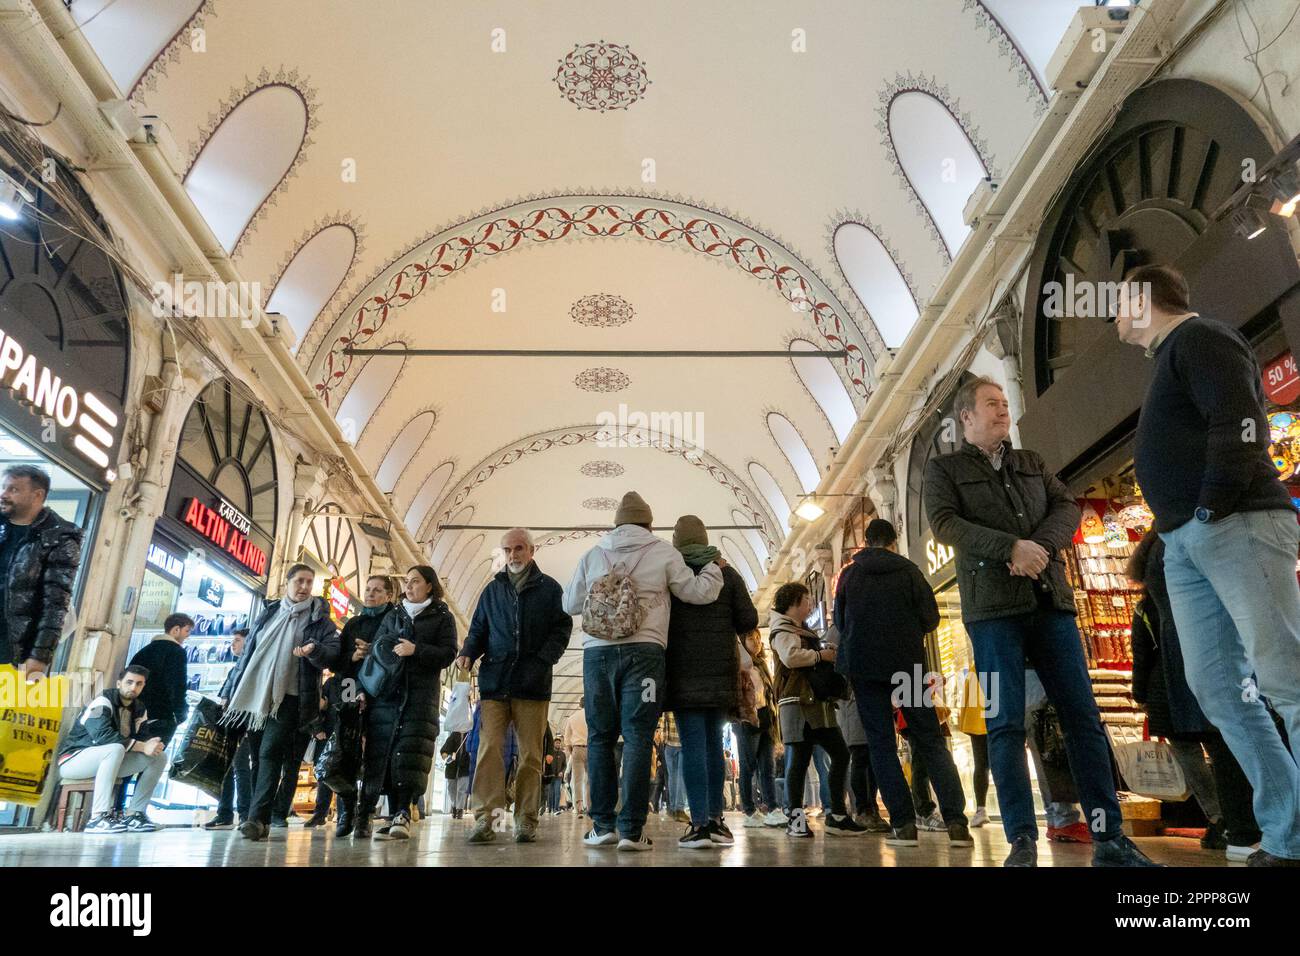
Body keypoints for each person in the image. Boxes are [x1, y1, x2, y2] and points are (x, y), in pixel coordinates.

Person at [924, 375, 1158, 867]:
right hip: (992, 613)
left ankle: (1109, 837)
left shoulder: (1030, 462)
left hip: (1051, 601)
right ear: (966, 417)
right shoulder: (944, 470)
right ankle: (1022, 842)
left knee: (1083, 718)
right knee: (1005, 724)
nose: (1002, 411)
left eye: (1005, 403)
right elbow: (945, 523)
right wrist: (1008, 548)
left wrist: (1042, 548)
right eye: (992, 404)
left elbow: (1067, 506)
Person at [1116, 264, 1300, 867]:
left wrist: (1210, 505)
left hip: (1236, 523)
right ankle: (1288, 831)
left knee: (1285, 677)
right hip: (1189, 544)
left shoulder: (1201, 339)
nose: (1114, 316)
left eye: (1120, 303)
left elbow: (1239, 422)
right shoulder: (1172, 357)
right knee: (1219, 690)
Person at [563, 491, 724, 851]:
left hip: (597, 657)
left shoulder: (593, 554)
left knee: (600, 737)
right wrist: (713, 567)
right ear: (649, 524)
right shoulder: (663, 552)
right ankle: (632, 831)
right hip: (646, 655)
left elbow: (570, 603)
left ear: (616, 523)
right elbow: (698, 593)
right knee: (638, 735)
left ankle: (602, 825)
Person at [834, 518, 971, 848]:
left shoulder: (849, 576)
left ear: (865, 543)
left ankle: (904, 825)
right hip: (907, 668)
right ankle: (956, 823)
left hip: (866, 671)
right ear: (893, 541)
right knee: (929, 739)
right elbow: (931, 619)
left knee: (881, 745)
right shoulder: (909, 571)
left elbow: (840, 622)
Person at [1126, 530, 1261, 860]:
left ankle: (1220, 818)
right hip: (1201, 675)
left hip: (1168, 690)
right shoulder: (1191, 573)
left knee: (1193, 753)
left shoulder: (1148, 603)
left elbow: (1141, 654)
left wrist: (1140, 693)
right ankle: (1239, 824)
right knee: (1226, 747)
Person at [457, 528, 572, 845]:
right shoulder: (492, 591)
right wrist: (468, 652)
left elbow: (562, 627)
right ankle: (487, 820)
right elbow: (479, 628)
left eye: (519, 548)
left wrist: (543, 659)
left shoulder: (549, 589)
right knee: (489, 749)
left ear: (531, 551)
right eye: (507, 550)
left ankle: (525, 821)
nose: (513, 555)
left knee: (531, 756)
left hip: (532, 684)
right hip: (495, 682)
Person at [220, 563, 339, 842]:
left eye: (309, 582)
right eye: (299, 580)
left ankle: (256, 818)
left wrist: (315, 651)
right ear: (287, 582)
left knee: (270, 753)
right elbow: (248, 655)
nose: (304, 587)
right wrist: (229, 689)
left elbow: (333, 653)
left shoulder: (320, 620)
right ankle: (260, 817)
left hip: (291, 698)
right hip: (255, 696)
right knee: (258, 756)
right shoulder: (270, 612)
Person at [663, 514, 757, 850]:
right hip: (720, 676)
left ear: (676, 542)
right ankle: (717, 820)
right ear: (705, 539)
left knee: (692, 747)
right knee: (713, 745)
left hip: (683, 675)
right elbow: (749, 619)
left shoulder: (671, 574)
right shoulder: (727, 573)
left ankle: (699, 823)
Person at [358, 565, 458, 840]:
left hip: (420, 696)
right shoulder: (393, 614)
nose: (409, 587)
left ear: (429, 585)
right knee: (387, 753)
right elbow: (379, 648)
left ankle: (404, 810)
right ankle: (392, 814)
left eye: (415, 582)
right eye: (407, 582)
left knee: (411, 751)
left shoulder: (441, 617)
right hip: (389, 695)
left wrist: (417, 650)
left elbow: (449, 653)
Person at [769, 582, 868, 838]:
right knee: (799, 761)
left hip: (817, 705)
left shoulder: (803, 629)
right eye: (806, 600)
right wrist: (819, 657)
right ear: (793, 602)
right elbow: (790, 657)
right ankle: (795, 818)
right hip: (798, 704)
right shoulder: (782, 629)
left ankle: (836, 814)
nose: (810, 604)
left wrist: (823, 651)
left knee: (840, 754)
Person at [321, 575, 393, 836]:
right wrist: (352, 655)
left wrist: (374, 651)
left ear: (388, 595)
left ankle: (365, 815)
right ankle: (345, 811)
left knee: (375, 754)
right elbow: (336, 663)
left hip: (381, 694)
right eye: (368, 589)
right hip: (351, 690)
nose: (371, 594)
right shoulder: (354, 623)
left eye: (377, 590)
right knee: (346, 751)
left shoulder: (393, 621)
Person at [57, 666, 167, 833]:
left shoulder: (140, 708)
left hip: (110, 761)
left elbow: (143, 737)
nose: (133, 687)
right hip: (73, 761)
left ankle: (135, 814)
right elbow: (102, 736)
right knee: (115, 748)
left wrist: (152, 744)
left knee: (159, 757)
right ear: (118, 683)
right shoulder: (101, 702)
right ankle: (98, 818)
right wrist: (142, 746)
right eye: (129, 682)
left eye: (139, 684)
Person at [0, 464, 84, 678]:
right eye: (3, 488)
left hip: (12, 649)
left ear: (38, 495)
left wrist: (39, 656)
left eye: (14, 490)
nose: (4, 495)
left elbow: (55, 605)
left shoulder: (60, 536)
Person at [734, 629, 785, 828]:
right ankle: (749, 810)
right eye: (750, 638)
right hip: (747, 719)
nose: (756, 642)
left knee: (768, 767)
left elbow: (770, 694)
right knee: (747, 767)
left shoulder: (762, 665)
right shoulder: (738, 665)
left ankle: (772, 808)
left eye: (757, 638)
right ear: (741, 641)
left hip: (766, 718)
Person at [206, 628, 253, 829]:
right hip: (230, 721)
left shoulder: (250, 666)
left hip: (244, 721)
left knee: (240, 767)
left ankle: (244, 814)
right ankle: (225, 812)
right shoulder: (237, 667)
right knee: (227, 766)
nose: (233, 644)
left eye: (237, 640)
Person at [128, 613, 194, 746]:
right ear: (176, 630)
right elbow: (177, 686)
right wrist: (180, 713)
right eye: (187, 631)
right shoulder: (176, 652)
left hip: (136, 713)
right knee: (154, 755)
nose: (188, 635)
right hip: (162, 715)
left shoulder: (143, 651)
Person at [955, 665, 991, 829]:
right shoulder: (994, 663)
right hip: (996, 721)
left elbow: (967, 703)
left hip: (977, 724)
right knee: (1003, 762)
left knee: (981, 765)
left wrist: (965, 724)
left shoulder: (973, 670)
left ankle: (981, 809)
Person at [659, 710, 688, 823]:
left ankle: (672, 808)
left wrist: (664, 738)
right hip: (682, 743)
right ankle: (679, 809)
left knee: (672, 777)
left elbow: (662, 720)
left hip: (669, 744)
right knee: (682, 776)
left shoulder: (669, 702)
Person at [561, 703, 588, 817]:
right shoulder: (593, 714)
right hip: (592, 748)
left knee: (577, 780)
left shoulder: (572, 717)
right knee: (591, 779)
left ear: (580, 705)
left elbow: (567, 739)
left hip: (577, 748)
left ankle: (579, 805)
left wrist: (571, 750)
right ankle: (591, 806)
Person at [440, 731, 472, 818]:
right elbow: (445, 748)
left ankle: (459, 809)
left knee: (462, 789)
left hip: (465, 765)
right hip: (452, 766)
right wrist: (445, 753)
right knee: (451, 788)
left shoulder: (470, 734)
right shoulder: (454, 734)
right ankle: (454, 805)